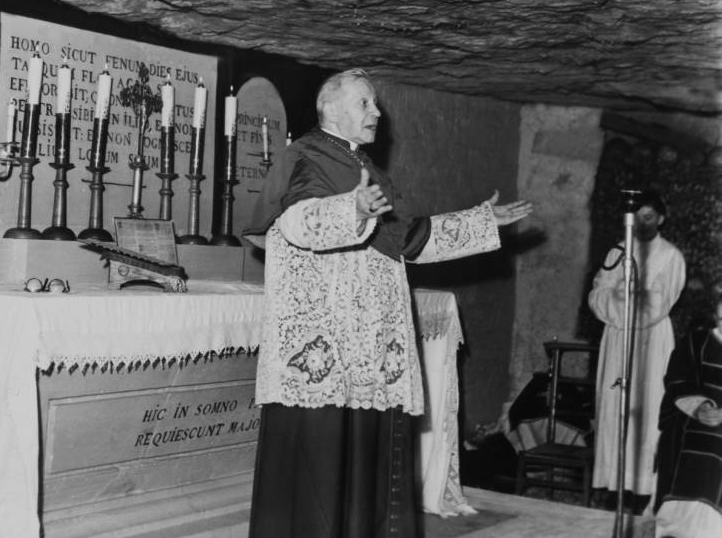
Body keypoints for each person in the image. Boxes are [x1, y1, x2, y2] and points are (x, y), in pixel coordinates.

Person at [243, 68, 532, 538]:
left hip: (369, 351)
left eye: (374, 104)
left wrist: (482, 222)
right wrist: (350, 209)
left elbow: (405, 240)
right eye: (365, 103)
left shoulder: (368, 171)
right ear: (329, 108)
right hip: (327, 351)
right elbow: (298, 223)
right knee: (320, 469)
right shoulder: (304, 157)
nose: (376, 113)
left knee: (364, 473)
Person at [589, 190, 686, 503]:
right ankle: (611, 484)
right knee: (613, 409)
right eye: (637, 217)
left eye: (648, 217)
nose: (642, 224)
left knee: (644, 411)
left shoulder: (670, 257)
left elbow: (655, 305)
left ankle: (642, 491)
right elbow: (596, 294)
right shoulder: (618, 250)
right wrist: (620, 301)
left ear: (660, 218)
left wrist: (619, 300)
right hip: (616, 340)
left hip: (650, 343)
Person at [653, 297, 722, 538]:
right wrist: (700, 405)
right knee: (683, 436)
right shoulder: (696, 342)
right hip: (693, 423)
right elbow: (677, 379)